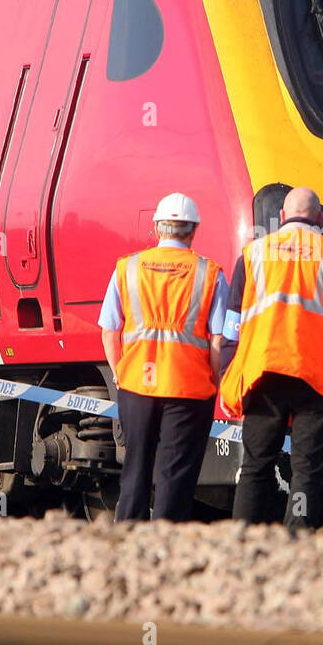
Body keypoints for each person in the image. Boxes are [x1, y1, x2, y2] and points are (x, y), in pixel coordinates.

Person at [220, 187, 323, 530]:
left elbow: (231, 326)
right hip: (317, 379)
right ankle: (298, 538)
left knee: (255, 464)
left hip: (262, 375)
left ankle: (239, 539)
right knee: (307, 467)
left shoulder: (253, 255)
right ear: (320, 219)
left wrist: (227, 374)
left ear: (282, 218)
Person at [99, 193, 228, 521]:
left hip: (136, 385)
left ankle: (128, 531)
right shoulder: (209, 274)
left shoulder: (127, 269)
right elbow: (218, 340)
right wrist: (216, 382)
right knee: (176, 469)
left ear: (157, 227)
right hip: (189, 388)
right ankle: (167, 539)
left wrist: (119, 372)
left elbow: (109, 330)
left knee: (136, 465)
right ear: (193, 230)